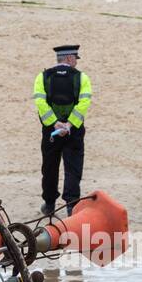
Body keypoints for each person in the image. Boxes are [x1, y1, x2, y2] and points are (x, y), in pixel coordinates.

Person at [33, 45, 93, 215]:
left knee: (50, 167)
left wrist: (54, 123)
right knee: (73, 168)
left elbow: (40, 102)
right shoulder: (81, 78)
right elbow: (84, 103)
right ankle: (71, 206)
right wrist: (69, 124)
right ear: (68, 58)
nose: (76, 61)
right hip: (73, 132)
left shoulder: (42, 76)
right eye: (75, 58)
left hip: (50, 132)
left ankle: (49, 204)